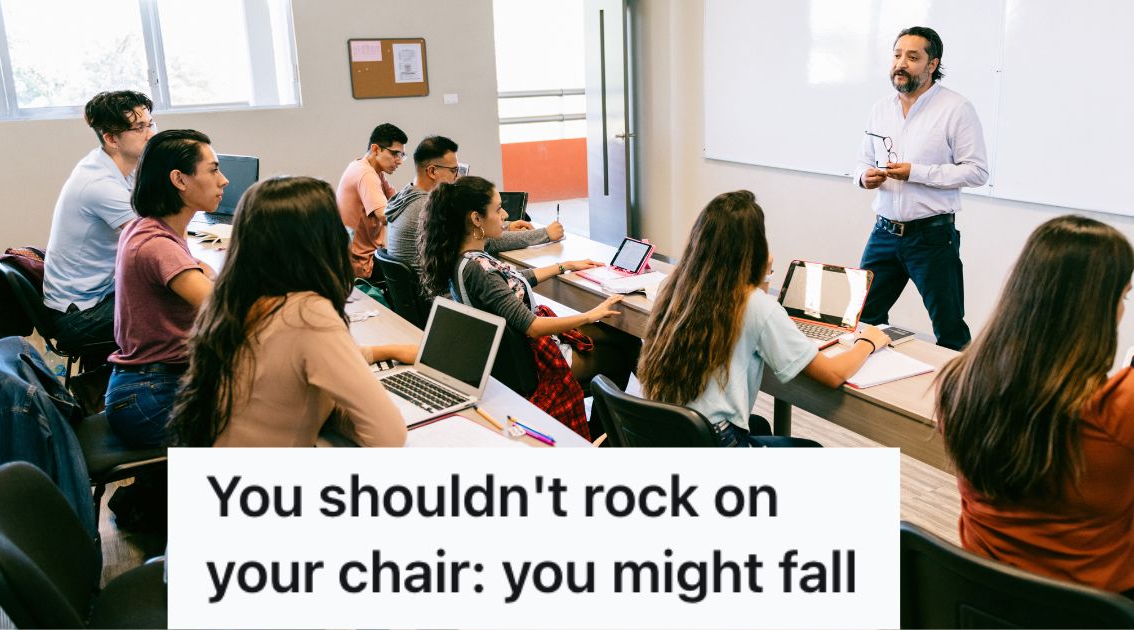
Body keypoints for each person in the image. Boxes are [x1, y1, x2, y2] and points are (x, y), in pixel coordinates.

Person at [937, 215, 1133, 598]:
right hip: (1097, 613)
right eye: (1123, 297)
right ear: (1096, 308)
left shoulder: (959, 383)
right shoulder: (1119, 408)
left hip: (986, 604)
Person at [168, 176, 411, 448]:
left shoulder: (235, 297)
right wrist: (341, 417)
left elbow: (297, 358)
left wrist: (388, 350)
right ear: (320, 241)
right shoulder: (306, 313)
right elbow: (389, 436)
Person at [639, 191, 890, 447]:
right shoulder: (755, 305)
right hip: (713, 441)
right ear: (753, 247)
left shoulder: (674, 286)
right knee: (813, 451)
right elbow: (833, 374)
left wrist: (761, 276)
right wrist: (867, 342)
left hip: (666, 429)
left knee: (760, 426)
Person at [418, 176, 640, 439]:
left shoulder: (464, 258)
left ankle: (603, 431)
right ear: (476, 219)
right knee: (626, 348)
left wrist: (564, 266)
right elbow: (533, 327)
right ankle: (604, 434)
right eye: (498, 209)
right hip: (535, 363)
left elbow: (512, 284)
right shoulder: (480, 270)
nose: (506, 215)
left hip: (510, 359)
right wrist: (591, 314)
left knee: (619, 338)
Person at [854, 26, 988, 351]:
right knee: (861, 318)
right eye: (897, 55)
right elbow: (861, 162)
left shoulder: (956, 109)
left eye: (913, 57)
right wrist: (863, 177)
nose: (901, 63)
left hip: (932, 238)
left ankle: (958, 399)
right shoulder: (880, 108)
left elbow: (977, 171)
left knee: (950, 330)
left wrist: (917, 173)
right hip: (884, 233)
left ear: (932, 64)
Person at [106, 129, 226, 448]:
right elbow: (226, 312)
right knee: (277, 417)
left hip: (141, 387)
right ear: (179, 180)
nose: (224, 180)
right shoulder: (159, 246)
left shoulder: (146, 227)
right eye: (213, 170)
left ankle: (148, 492)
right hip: (151, 398)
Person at [43, 90, 156, 353]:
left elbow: (154, 216)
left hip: (102, 293)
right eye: (139, 128)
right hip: (80, 316)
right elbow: (151, 242)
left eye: (150, 124)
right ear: (111, 138)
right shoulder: (99, 183)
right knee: (182, 313)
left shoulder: (121, 166)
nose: (151, 133)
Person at [384, 134, 564, 265]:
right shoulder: (427, 208)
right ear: (432, 171)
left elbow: (468, 230)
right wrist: (545, 234)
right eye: (454, 171)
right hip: (439, 301)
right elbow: (485, 241)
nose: (457, 177)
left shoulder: (405, 196)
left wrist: (507, 225)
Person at [337, 122, 407, 282]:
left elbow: (397, 200)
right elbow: (385, 216)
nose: (399, 161)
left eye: (402, 155)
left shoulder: (369, 168)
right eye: (395, 154)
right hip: (362, 265)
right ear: (376, 149)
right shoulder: (365, 174)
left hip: (360, 257)